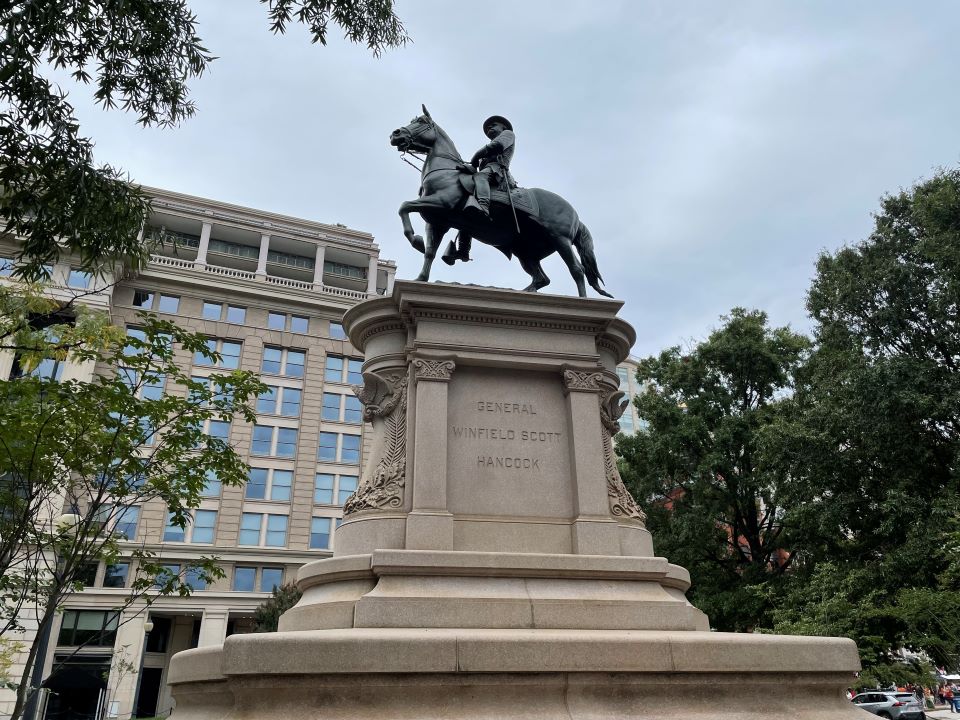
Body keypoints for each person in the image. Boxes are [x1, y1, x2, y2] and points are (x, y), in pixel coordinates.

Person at [444, 115, 517, 265]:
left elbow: (496, 146)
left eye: (493, 125)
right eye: (489, 126)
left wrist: (475, 158)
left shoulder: (508, 134)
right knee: (466, 208)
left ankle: (483, 206)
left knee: (480, 177)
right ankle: (463, 250)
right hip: (488, 172)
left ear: (503, 127)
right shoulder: (491, 145)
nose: (490, 127)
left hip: (497, 171)